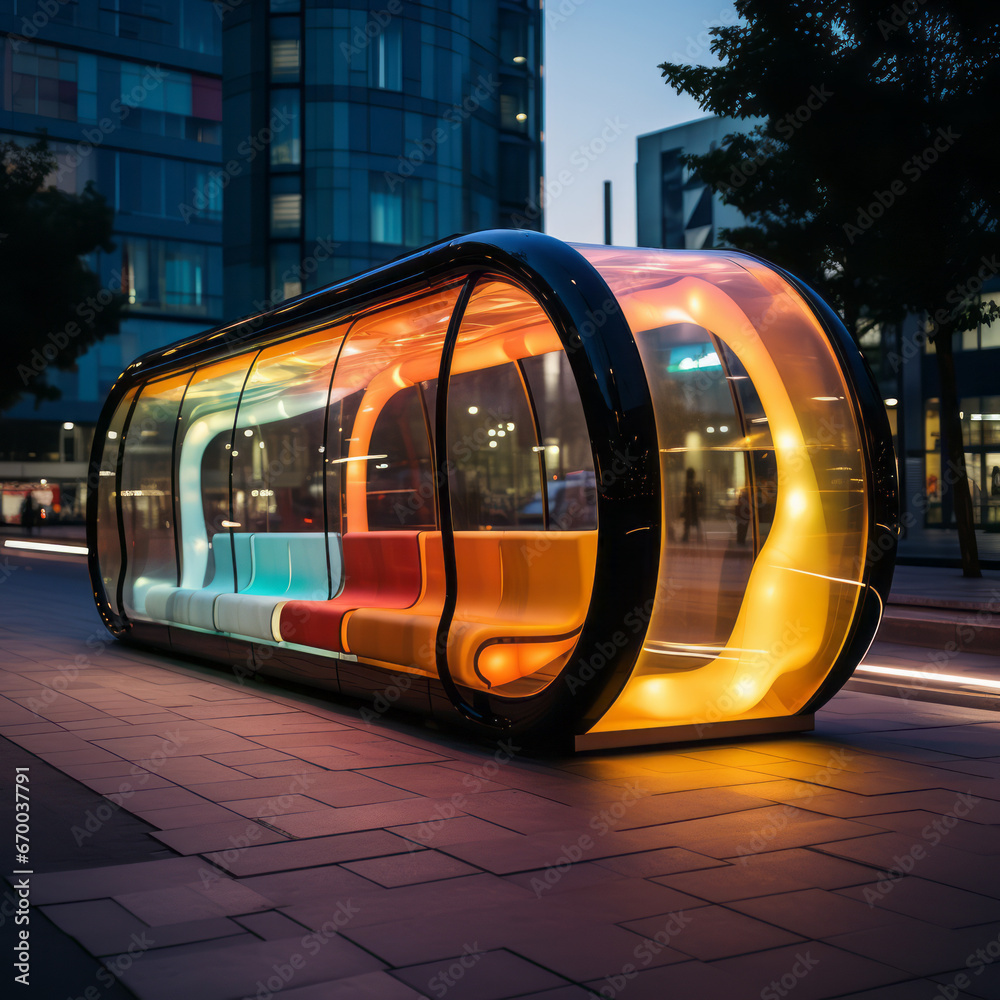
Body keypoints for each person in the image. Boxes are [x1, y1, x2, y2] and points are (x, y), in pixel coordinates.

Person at [682, 467, 700, 542]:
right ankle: (698, 537)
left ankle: (686, 536)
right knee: (694, 521)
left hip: (690, 505)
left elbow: (689, 495)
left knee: (688, 522)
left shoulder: (689, 483)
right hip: (693, 505)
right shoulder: (692, 483)